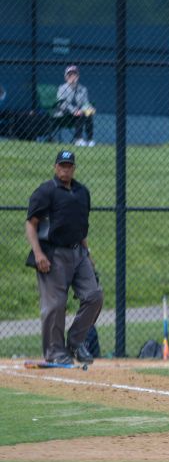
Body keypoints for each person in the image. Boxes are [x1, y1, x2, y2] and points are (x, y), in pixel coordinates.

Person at [24, 150, 102, 364]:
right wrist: (38, 253)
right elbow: (31, 225)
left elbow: (80, 228)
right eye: (61, 165)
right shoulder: (46, 191)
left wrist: (88, 253)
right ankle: (55, 353)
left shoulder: (82, 192)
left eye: (69, 165)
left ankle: (75, 343)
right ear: (55, 167)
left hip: (78, 252)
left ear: (74, 168)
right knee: (55, 305)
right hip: (53, 254)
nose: (65, 169)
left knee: (94, 296)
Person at [56, 66, 94, 146]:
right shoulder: (62, 88)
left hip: (80, 113)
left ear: (78, 76)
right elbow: (62, 103)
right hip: (65, 114)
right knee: (80, 114)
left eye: (74, 75)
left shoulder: (83, 89)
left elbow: (85, 103)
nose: (72, 77)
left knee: (89, 113)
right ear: (66, 77)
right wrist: (74, 111)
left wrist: (87, 108)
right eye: (70, 75)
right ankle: (78, 139)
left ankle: (90, 139)